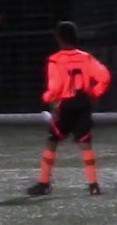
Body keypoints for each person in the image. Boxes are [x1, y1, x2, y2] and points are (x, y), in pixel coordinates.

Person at [27, 21, 112, 197]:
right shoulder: (86, 57)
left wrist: (47, 97)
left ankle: (43, 183)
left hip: (65, 105)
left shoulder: (55, 60)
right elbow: (104, 76)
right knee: (85, 143)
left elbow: (56, 86)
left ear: (58, 38)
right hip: (83, 103)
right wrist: (94, 92)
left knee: (52, 140)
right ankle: (93, 184)